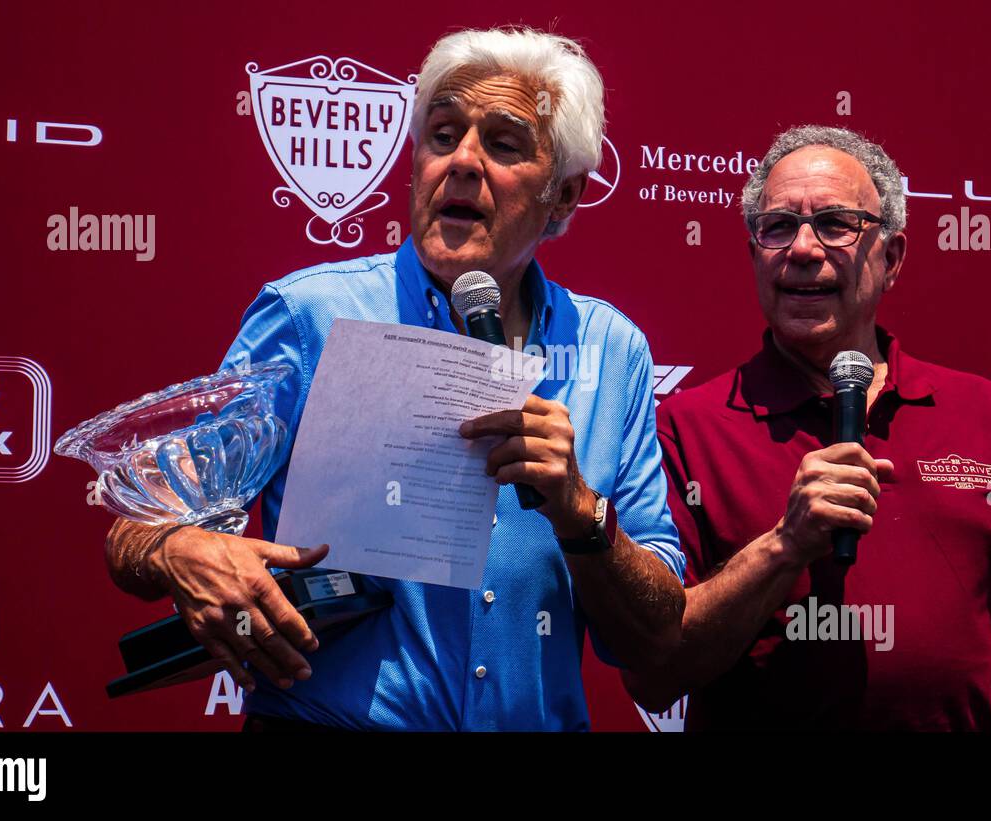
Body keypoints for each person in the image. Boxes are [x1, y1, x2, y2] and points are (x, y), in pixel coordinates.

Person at [102, 27, 685, 731]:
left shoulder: (609, 349)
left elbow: (657, 631)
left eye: (502, 144)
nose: (462, 161)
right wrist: (181, 548)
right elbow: (139, 526)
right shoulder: (313, 315)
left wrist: (582, 512)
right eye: (442, 135)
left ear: (563, 197)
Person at [622, 125, 991, 731]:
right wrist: (785, 545)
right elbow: (657, 671)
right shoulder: (685, 427)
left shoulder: (988, 414)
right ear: (753, 254)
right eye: (778, 227)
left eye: (836, 223)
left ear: (891, 258)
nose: (803, 249)